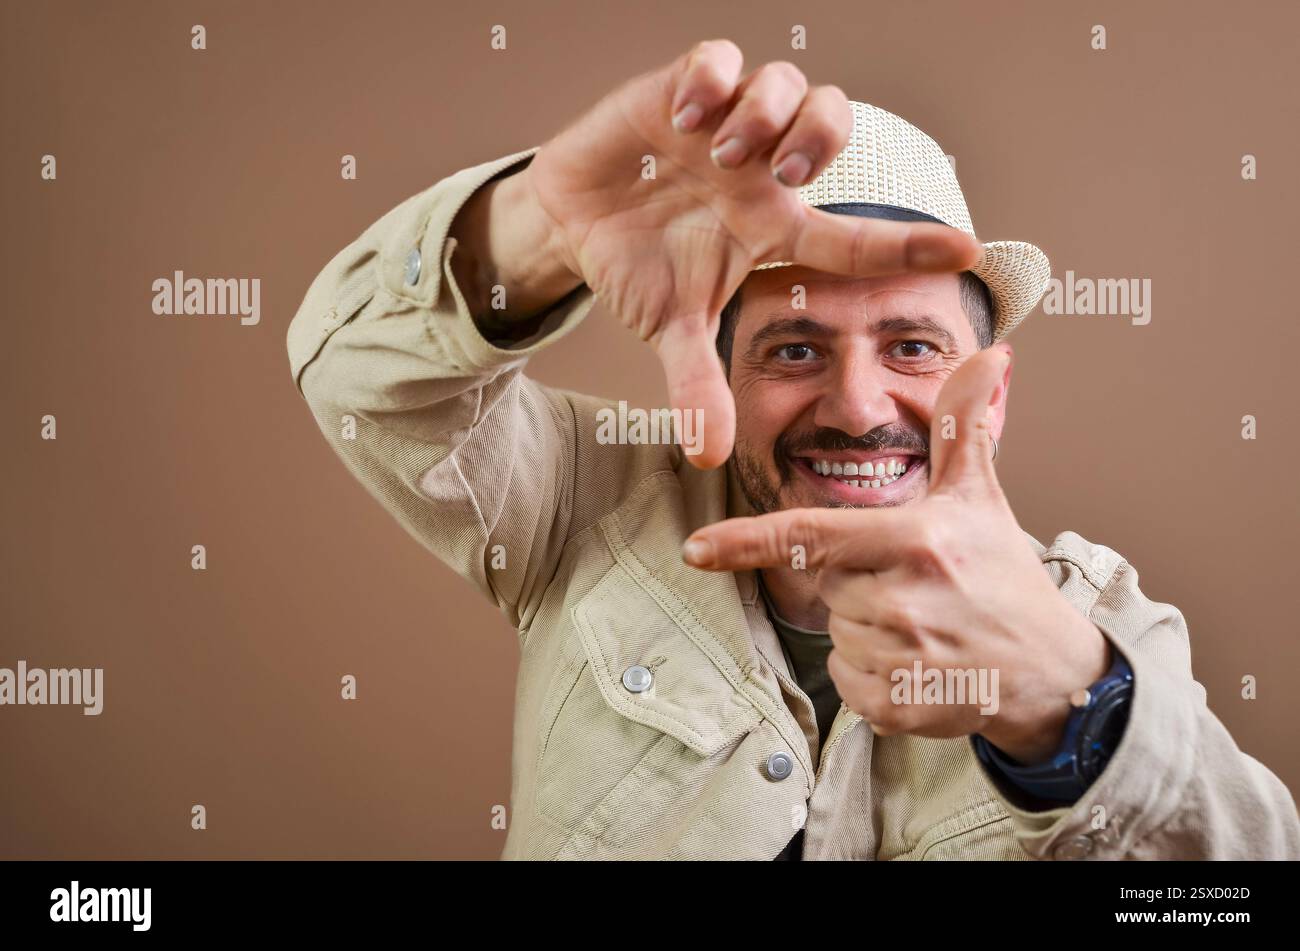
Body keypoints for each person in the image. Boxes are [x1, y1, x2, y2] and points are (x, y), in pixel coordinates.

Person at [286, 39, 1300, 859]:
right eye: (795, 348)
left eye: (910, 347)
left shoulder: (1095, 620)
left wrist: (1066, 709)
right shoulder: (581, 497)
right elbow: (366, 389)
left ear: (986, 395)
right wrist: (536, 235)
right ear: (721, 373)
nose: (857, 407)